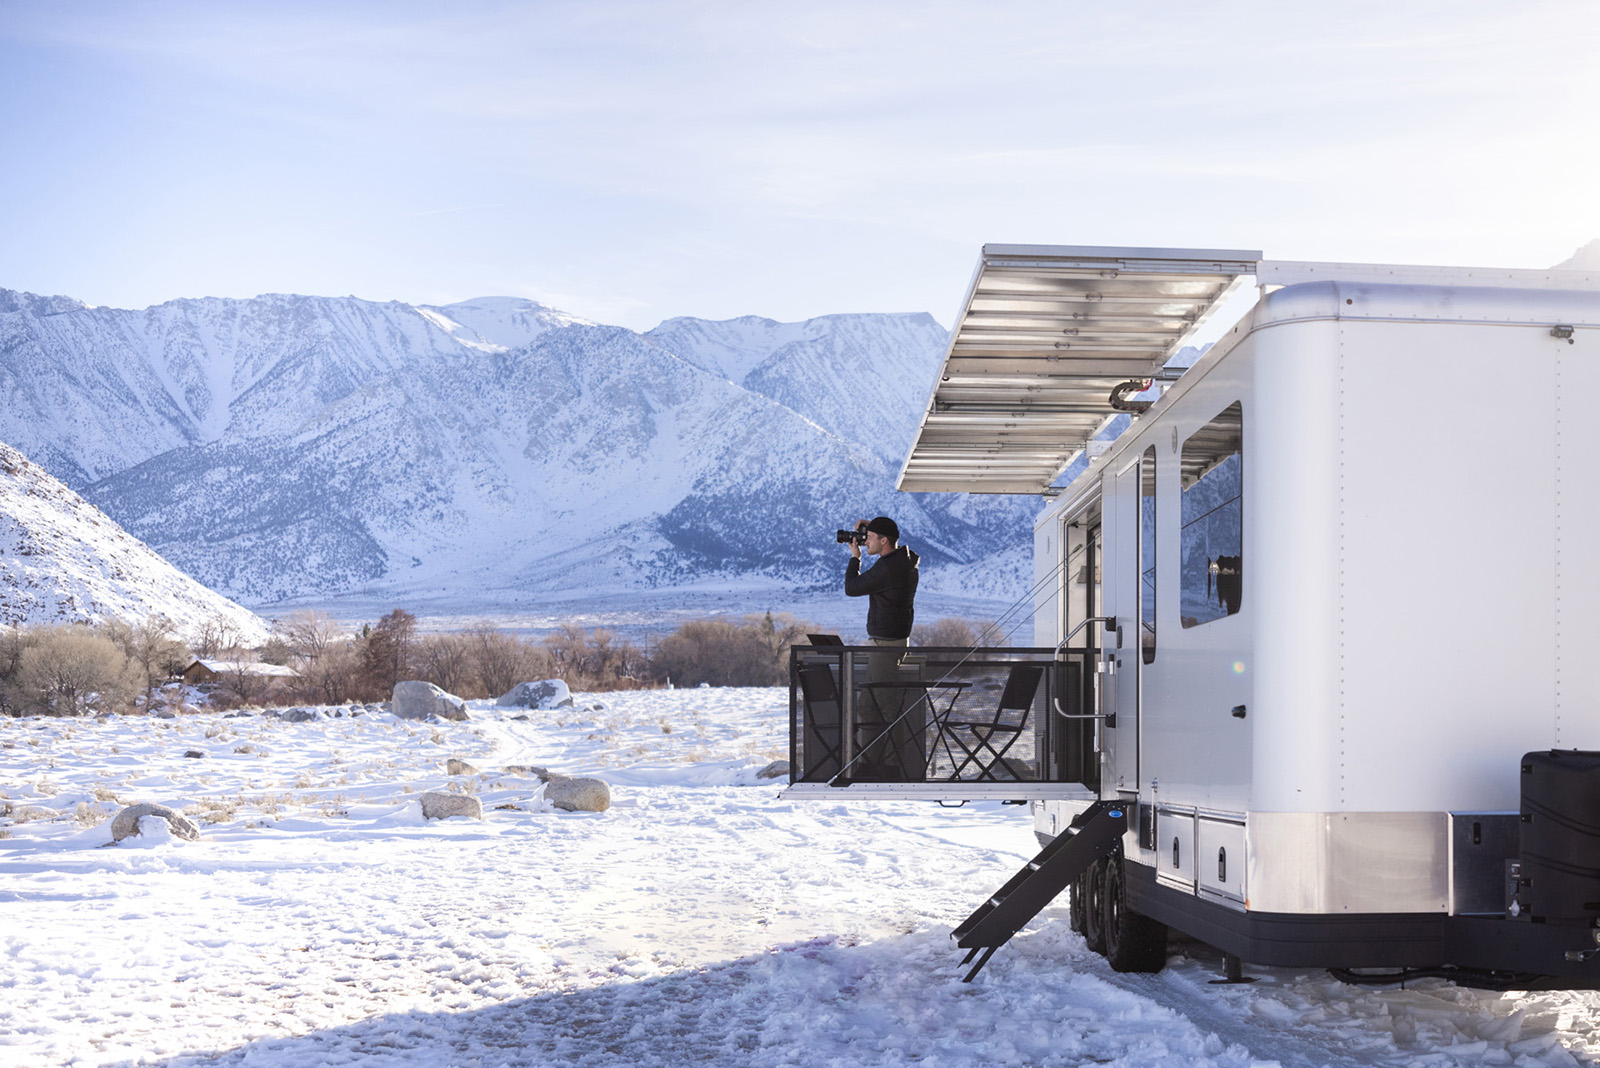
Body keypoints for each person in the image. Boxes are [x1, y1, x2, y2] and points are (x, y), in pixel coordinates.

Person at [844, 516, 920, 779]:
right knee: (882, 704)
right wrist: (872, 524)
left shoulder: (888, 568)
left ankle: (880, 767)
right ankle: (881, 764)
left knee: (876, 705)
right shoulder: (901, 561)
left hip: (886, 645)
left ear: (884, 540)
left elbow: (852, 588)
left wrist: (855, 558)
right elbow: (889, 534)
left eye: (870, 538)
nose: (865, 542)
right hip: (892, 642)